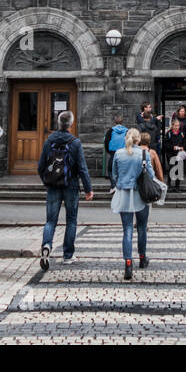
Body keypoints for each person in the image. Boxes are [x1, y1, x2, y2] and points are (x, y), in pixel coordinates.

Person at [37, 110, 94, 270]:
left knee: (50, 221)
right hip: (71, 185)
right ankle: (68, 255)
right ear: (71, 124)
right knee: (71, 220)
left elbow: (41, 166)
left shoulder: (49, 140)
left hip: (53, 186)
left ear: (58, 123)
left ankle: (46, 245)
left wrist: (47, 180)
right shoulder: (75, 142)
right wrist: (88, 188)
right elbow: (82, 168)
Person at [111, 128, 157, 280]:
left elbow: (114, 175)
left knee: (127, 229)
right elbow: (151, 175)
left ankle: (128, 263)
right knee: (142, 227)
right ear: (138, 140)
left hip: (124, 193)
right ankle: (142, 257)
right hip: (140, 194)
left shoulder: (118, 153)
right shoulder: (144, 154)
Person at [140, 131, 167, 207]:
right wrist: (161, 180)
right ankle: (159, 202)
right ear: (149, 142)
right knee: (163, 187)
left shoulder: (135, 151)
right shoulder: (152, 152)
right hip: (149, 178)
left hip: (138, 178)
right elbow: (158, 168)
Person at [104, 113, 127, 191]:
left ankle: (114, 186)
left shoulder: (111, 131)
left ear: (115, 122)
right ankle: (121, 185)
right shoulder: (127, 131)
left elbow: (106, 142)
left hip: (113, 153)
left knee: (110, 169)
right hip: (124, 153)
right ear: (122, 122)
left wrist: (109, 151)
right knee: (122, 170)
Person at [164, 114, 186, 190]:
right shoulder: (169, 133)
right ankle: (169, 184)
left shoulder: (181, 134)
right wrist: (173, 147)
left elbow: (184, 143)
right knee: (172, 168)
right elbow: (166, 144)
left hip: (179, 154)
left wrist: (182, 147)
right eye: (175, 126)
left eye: (178, 126)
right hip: (170, 154)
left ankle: (177, 186)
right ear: (172, 126)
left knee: (179, 169)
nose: (177, 127)